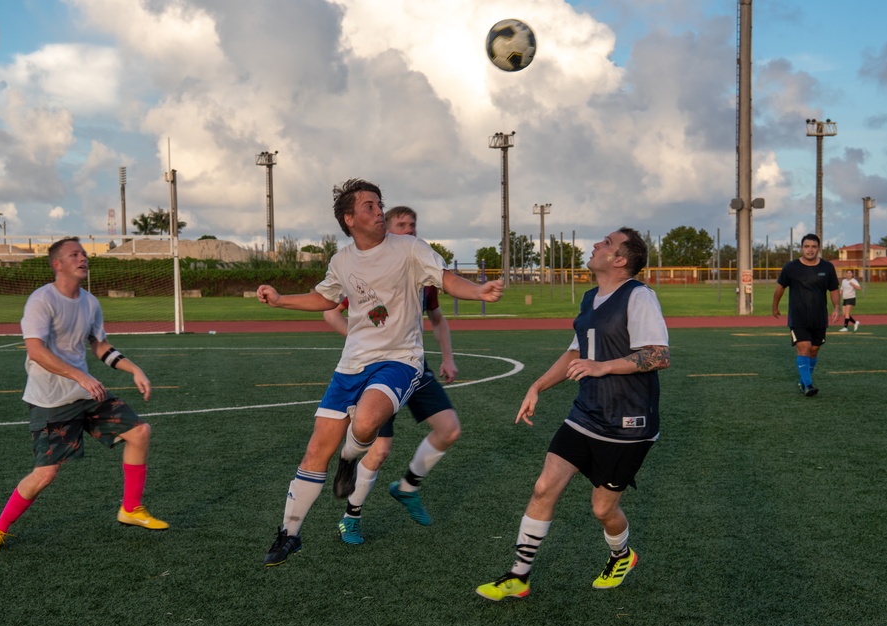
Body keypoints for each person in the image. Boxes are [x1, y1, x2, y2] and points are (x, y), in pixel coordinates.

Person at [257, 179, 503, 566]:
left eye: (379, 204)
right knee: (316, 449)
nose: (379, 212)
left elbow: (447, 280)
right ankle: (290, 534)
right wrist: (280, 300)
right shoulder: (342, 261)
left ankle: (351, 459)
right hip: (351, 363)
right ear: (349, 218)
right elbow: (326, 297)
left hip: (400, 358)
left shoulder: (409, 248)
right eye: (370, 206)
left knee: (369, 420)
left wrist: (478, 290)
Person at [475, 227, 669, 601]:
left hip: (628, 424)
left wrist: (603, 366)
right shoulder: (589, 299)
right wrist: (537, 387)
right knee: (543, 487)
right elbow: (574, 354)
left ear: (621, 260)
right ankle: (518, 575)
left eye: (607, 243)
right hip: (585, 413)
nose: (597, 245)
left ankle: (622, 555)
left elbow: (659, 355)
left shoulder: (639, 296)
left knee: (602, 509)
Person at [0, 238, 167, 552]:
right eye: (74, 254)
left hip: (86, 393)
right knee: (46, 473)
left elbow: (100, 345)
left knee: (139, 432)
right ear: (58, 264)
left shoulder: (90, 302)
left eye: (83, 253)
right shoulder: (41, 301)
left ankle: (130, 509)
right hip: (51, 401)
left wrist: (133, 369)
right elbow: (35, 351)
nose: (83, 258)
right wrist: (80, 374)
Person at [322, 206, 461, 544]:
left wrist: (447, 357)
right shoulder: (371, 266)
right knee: (380, 449)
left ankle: (407, 487)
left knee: (449, 429)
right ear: (389, 228)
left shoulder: (419, 263)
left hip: (412, 364)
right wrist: (364, 341)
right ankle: (350, 517)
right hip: (376, 369)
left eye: (413, 224)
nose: (408, 229)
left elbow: (438, 319)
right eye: (402, 224)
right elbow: (330, 313)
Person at [771, 233, 840, 397]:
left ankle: (803, 381)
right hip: (798, 317)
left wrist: (836, 307)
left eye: (813, 247)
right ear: (801, 248)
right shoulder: (790, 267)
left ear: (818, 249)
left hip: (819, 317)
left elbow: (834, 290)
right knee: (804, 349)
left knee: (814, 350)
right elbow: (780, 288)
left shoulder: (827, 267)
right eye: (807, 246)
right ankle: (808, 385)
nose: (810, 250)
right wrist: (775, 307)